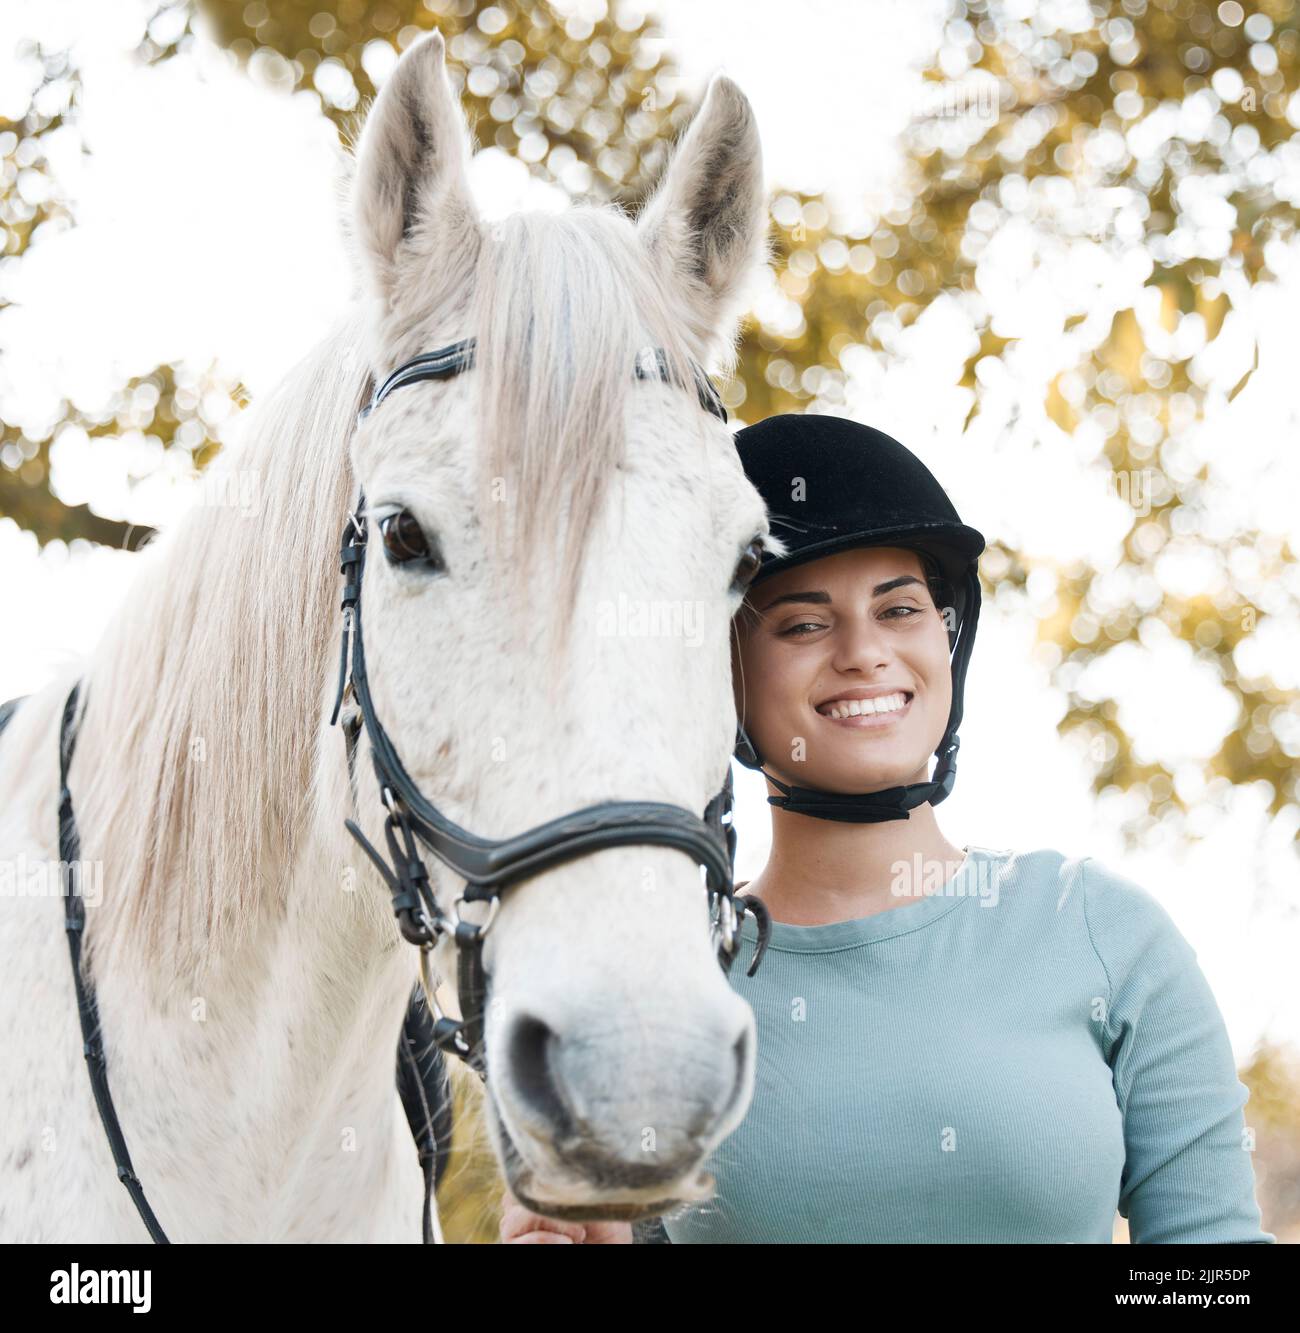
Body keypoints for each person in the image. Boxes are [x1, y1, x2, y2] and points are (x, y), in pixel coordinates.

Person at [500, 413, 1274, 1245]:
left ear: (947, 637)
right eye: (802, 622)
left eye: (900, 608)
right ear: (715, 670)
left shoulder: (1104, 935)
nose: (865, 652)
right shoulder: (663, 996)